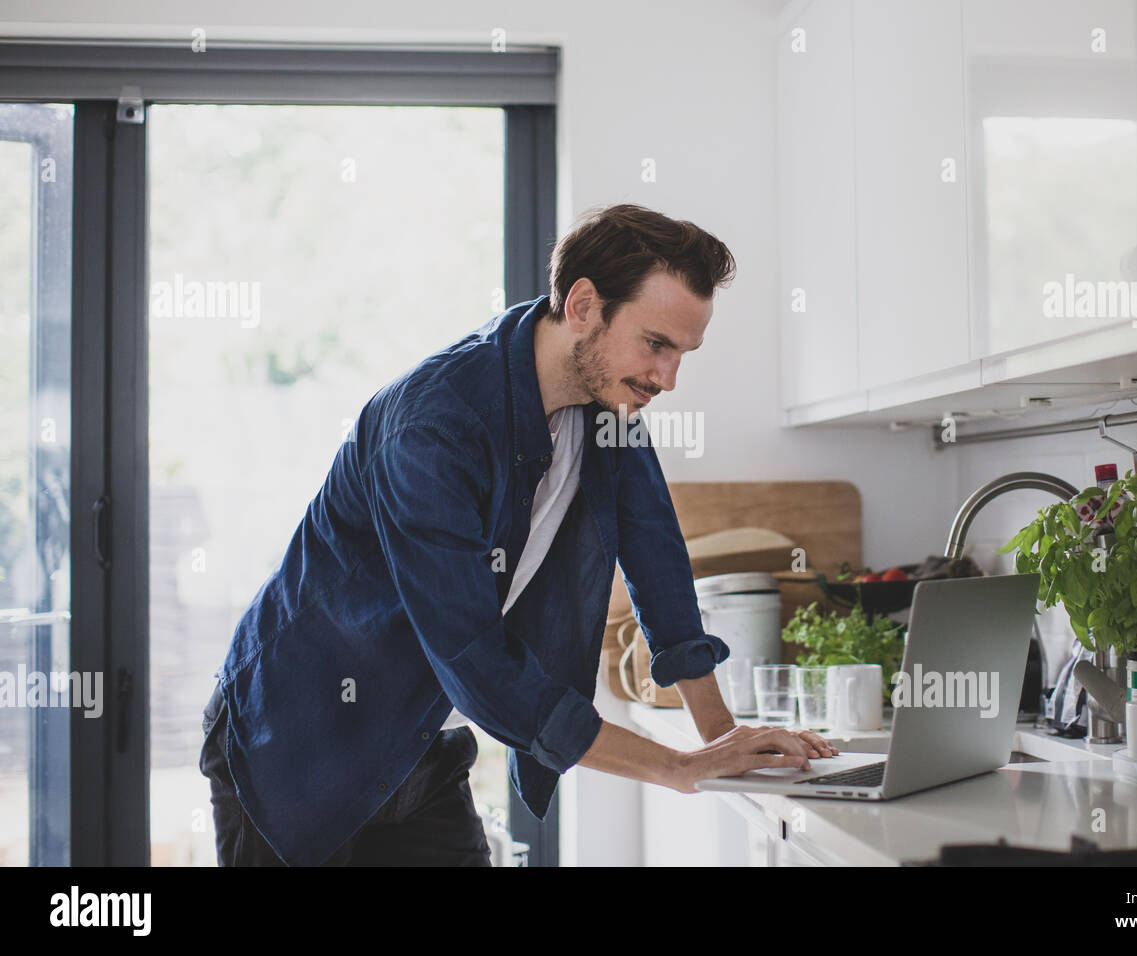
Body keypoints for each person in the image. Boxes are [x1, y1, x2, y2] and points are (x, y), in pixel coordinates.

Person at [199, 202, 838, 866]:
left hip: (419, 748)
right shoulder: (433, 424)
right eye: (656, 343)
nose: (667, 379)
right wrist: (679, 767)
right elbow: (477, 664)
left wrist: (726, 741)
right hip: (301, 743)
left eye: (683, 353)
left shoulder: (607, 410)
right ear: (585, 305)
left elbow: (659, 566)